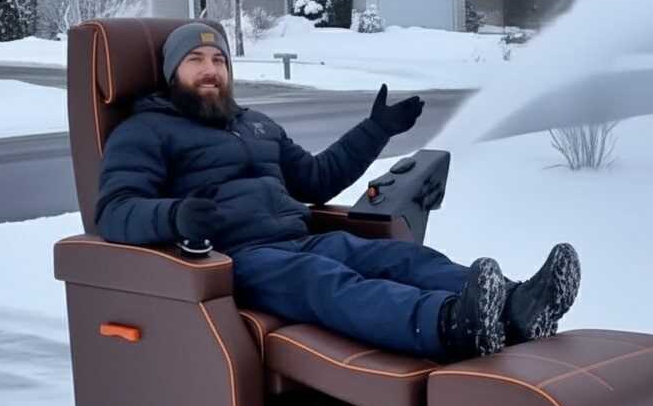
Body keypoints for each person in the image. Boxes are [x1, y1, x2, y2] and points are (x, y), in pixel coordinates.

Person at [95, 23, 580, 361]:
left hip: (299, 237)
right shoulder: (145, 132)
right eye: (195, 60)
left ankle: (518, 306)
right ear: (172, 72)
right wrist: (175, 215)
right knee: (325, 278)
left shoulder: (255, 124)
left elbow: (316, 179)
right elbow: (114, 211)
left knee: (399, 259)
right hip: (235, 259)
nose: (210, 69)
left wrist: (375, 131)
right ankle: (449, 324)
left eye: (218, 59)